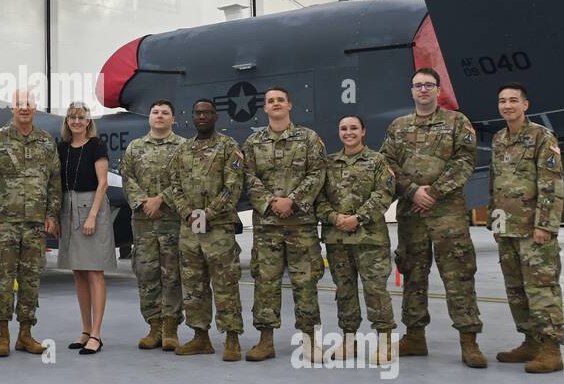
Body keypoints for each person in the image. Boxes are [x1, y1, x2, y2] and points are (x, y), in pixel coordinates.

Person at [379, 67, 487, 368]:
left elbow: (465, 160)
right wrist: (413, 191)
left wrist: (435, 192)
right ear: (411, 91)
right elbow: (386, 164)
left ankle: (469, 340)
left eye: (428, 85)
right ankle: (414, 336)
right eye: (417, 85)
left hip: (447, 214)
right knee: (413, 275)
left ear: (438, 90)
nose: (423, 90)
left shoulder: (457, 122)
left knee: (459, 275)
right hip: (412, 215)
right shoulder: (398, 127)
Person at [240, 86, 328, 363]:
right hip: (267, 225)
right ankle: (266, 341)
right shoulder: (253, 143)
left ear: (289, 105)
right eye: (270, 101)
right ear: (264, 108)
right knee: (265, 283)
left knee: (305, 283)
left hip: (300, 224)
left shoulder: (309, 139)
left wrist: (293, 200)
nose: (275, 104)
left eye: (280, 100)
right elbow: (248, 178)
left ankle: (311, 341)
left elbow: (317, 173)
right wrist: (270, 202)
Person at [0, 89, 61, 357]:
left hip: (36, 224)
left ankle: (26, 334)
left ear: (35, 108)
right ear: (12, 109)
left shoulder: (46, 142)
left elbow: (55, 182)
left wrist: (51, 214)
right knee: (2, 280)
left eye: (28, 104)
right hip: (4, 224)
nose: (24, 108)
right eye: (19, 104)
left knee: (31, 280)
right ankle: (2, 335)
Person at [489, 83, 564, 373]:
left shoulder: (542, 137)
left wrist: (544, 225)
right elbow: (495, 184)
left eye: (513, 101)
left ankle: (551, 349)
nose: (507, 105)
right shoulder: (498, 139)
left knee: (542, 288)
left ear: (525, 105)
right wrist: (495, 222)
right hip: (507, 228)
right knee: (516, 290)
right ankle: (531, 341)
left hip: (533, 229)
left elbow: (551, 184)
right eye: (502, 101)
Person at [167, 99, 245, 361]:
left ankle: (232, 338)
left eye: (207, 113)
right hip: (189, 230)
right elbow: (174, 185)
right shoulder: (183, 150)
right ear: (192, 117)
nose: (202, 117)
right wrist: (188, 213)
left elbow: (233, 187)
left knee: (225, 284)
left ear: (215, 116)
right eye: (197, 113)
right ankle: (200, 336)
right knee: (193, 285)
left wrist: (209, 213)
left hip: (218, 228)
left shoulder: (228, 147)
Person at [314, 115, 396, 363]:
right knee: (344, 292)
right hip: (338, 239)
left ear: (363, 132)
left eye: (353, 128)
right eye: (343, 129)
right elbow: (318, 199)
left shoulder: (377, 161)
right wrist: (334, 217)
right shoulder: (328, 164)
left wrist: (358, 218)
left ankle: (385, 343)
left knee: (375, 291)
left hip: (370, 240)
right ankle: (349, 341)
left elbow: (384, 193)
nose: (348, 132)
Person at [119, 99, 186, 351]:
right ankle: (154, 326)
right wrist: (143, 202)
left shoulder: (183, 147)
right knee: (146, 274)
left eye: (165, 113)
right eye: (155, 112)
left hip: (171, 221)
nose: (159, 116)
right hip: (143, 222)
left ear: (173, 119)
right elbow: (128, 179)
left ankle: (170, 328)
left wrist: (161, 200)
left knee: (172, 275)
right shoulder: (135, 148)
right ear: (149, 118)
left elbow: (185, 180)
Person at [57, 101, 114, 356]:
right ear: (67, 121)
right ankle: (85, 329)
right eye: (72, 117)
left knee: (94, 272)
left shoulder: (96, 146)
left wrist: (91, 216)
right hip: (68, 208)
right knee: (78, 271)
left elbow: (103, 184)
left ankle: (97, 334)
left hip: (92, 206)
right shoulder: (62, 148)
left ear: (88, 121)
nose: (77, 121)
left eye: (81, 117)